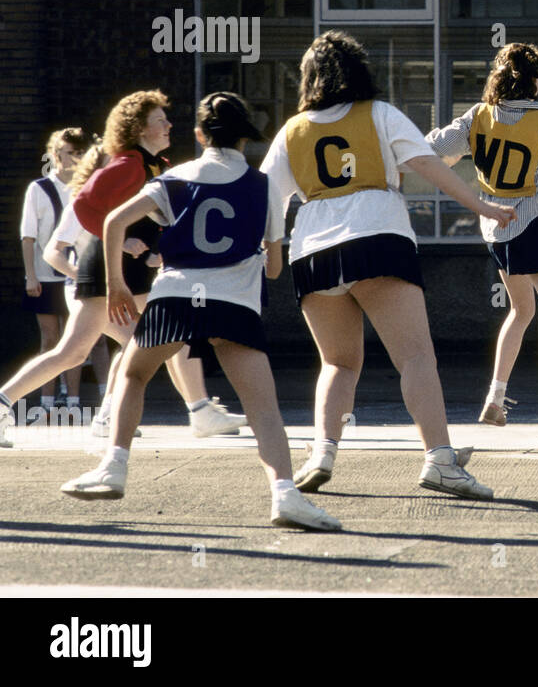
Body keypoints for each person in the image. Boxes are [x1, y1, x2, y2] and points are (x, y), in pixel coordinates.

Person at [60, 93, 340, 530]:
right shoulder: (263, 186)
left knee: (134, 376)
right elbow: (273, 267)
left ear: (198, 134)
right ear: (245, 138)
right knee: (263, 406)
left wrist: (116, 286)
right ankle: (285, 494)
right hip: (235, 303)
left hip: (176, 295)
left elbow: (113, 221)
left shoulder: (175, 177)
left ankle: (113, 467)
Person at [261, 30, 515, 498]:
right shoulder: (379, 114)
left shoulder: (290, 131)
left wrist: (268, 254)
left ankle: (322, 453)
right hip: (377, 235)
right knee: (415, 357)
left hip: (312, 251)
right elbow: (432, 168)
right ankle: (439, 459)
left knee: (336, 363)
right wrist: (483, 207)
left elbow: (266, 204)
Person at [0, 92, 245, 449]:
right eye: (160, 120)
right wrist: (120, 238)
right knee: (77, 352)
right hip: (106, 273)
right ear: (139, 128)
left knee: (168, 331)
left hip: (127, 273)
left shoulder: (152, 163)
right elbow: (84, 204)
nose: (169, 125)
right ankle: (170, 412)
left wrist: (156, 248)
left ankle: (190, 411)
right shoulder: (129, 164)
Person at [427, 42, 538, 455]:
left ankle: (495, 397)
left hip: (498, 226)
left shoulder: (479, 115)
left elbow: (433, 149)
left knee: (520, 311)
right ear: (535, 80)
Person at [19, 127, 101, 412]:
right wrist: (30, 274)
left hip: (76, 273)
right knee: (51, 337)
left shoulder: (87, 188)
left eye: (81, 153)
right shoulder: (39, 188)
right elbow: (28, 235)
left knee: (77, 340)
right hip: (45, 273)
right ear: (55, 156)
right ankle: (46, 401)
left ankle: (74, 399)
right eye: (70, 153)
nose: (76, 159)